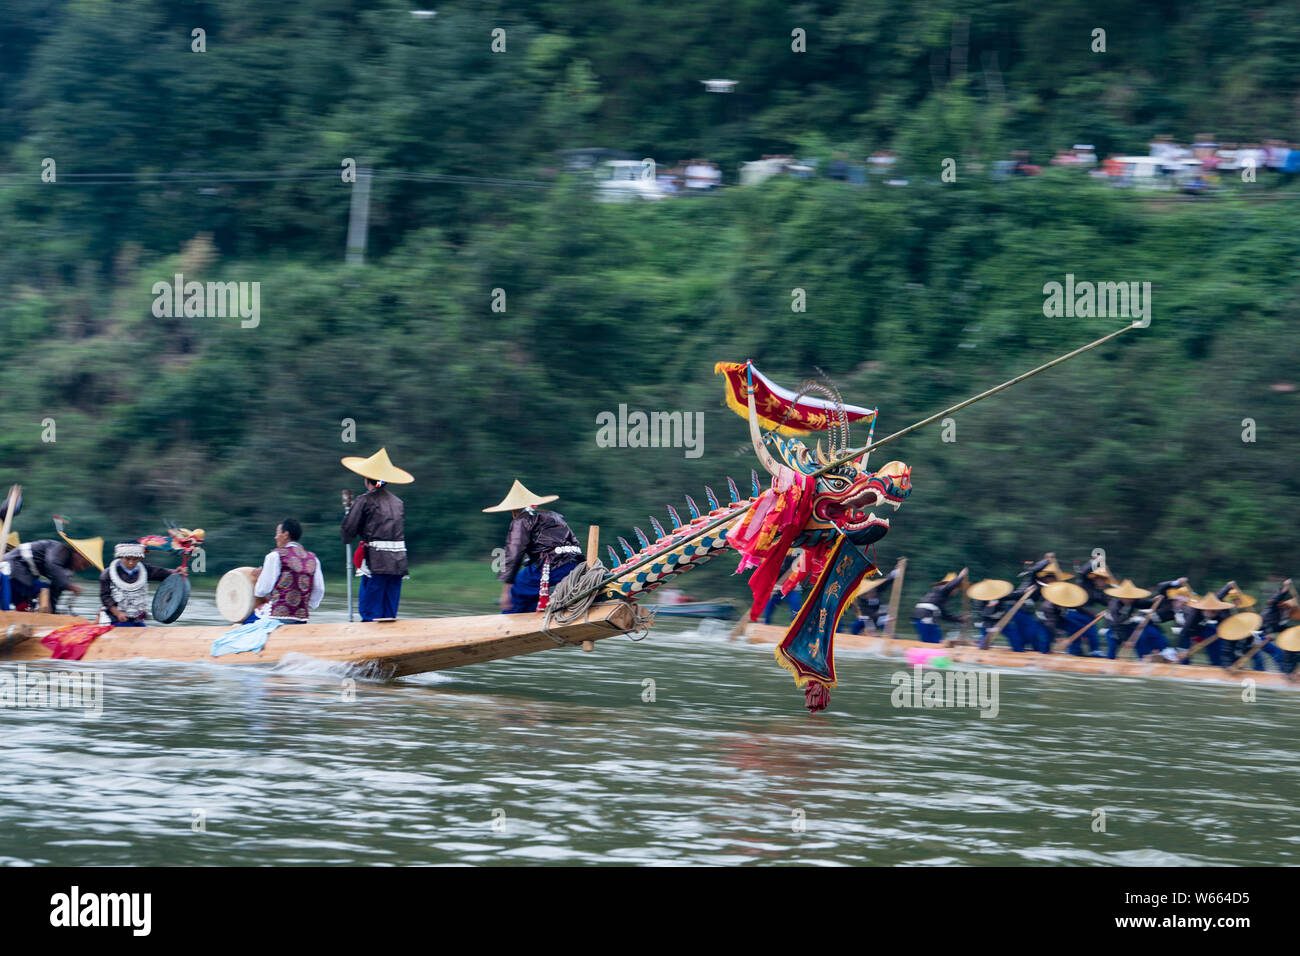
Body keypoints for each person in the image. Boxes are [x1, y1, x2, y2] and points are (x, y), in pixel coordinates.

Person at [485, 480, 583, 614]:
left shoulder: (520, 521)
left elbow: (513, 554)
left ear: (514, 510)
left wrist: (506, 590)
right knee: (529, 588)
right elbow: (574, 541)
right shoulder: (554, 516)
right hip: (575, 565)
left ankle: (506, 624)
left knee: (519, 584)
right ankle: (534, 618)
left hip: (553, 567)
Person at [341, 447, 413, 622]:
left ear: (367, 480)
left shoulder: (365, 500)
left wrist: (348, 514)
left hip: (377, 564)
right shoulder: (398, 503)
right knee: (389, 616)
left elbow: (347, 532)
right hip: (398, 565)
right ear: (385, 480)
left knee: (370, 614)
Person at [2, 532, 102, 613]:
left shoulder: (64, 571)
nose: (82, 568)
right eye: (84, 564)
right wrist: (69, 585)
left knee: (41, 595)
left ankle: (34, 617)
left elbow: (55, 592)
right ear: (77, 554)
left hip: (25, 575)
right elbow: (52, 565)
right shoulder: (60, 549)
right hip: (15, 565)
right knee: (42, 589)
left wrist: (53, 613)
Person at [251, 519, 324, 622]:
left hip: (275, 617)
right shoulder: (313, 559)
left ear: (285, 534)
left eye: (277, 533)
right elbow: (319, 589)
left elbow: (262, 590)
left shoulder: (275, 556)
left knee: (246, 620)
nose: (275, 537)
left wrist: (258, 579)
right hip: (301, 618)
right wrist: (311, 604)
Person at [98, 542, 183, 626]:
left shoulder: (144, 570)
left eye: (135, 559)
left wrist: (175, 572)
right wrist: (118, 613)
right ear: (120, 557)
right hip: (113, 618)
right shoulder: (107, 574)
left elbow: (159, 572)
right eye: (127, 559)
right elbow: (105, 597)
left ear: (140, 558)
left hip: (136, 618)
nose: (131, 562)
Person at [912, 569, 967, 643]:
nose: (957, 591)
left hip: (919, 615)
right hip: (926, 615)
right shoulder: (943, 588)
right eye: (957, 588)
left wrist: (959, 619)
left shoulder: (940, 596)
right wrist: (961, 576)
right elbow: (950, 585)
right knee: (934, 640)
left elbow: (945, 615)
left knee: (928, 640)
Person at [850, 567, 898, 635]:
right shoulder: (863, 602)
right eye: (867, 593)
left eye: (872, 591)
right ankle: (854, 638)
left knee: (884, 616)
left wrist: (894, 573)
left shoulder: (877, 589)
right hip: (869, 618)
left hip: (879, 617)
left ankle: (892, 637)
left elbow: (886, 582)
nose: (871, 593)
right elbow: (869, 615)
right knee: (856, 624)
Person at [762, 550, 804, 626]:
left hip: (792, 586)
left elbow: (800, 570)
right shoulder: (775, 555)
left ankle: (794, 627)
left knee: (796, 609)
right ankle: (765, 623)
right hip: (777, 586)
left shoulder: (799, 555)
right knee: (769, 607)